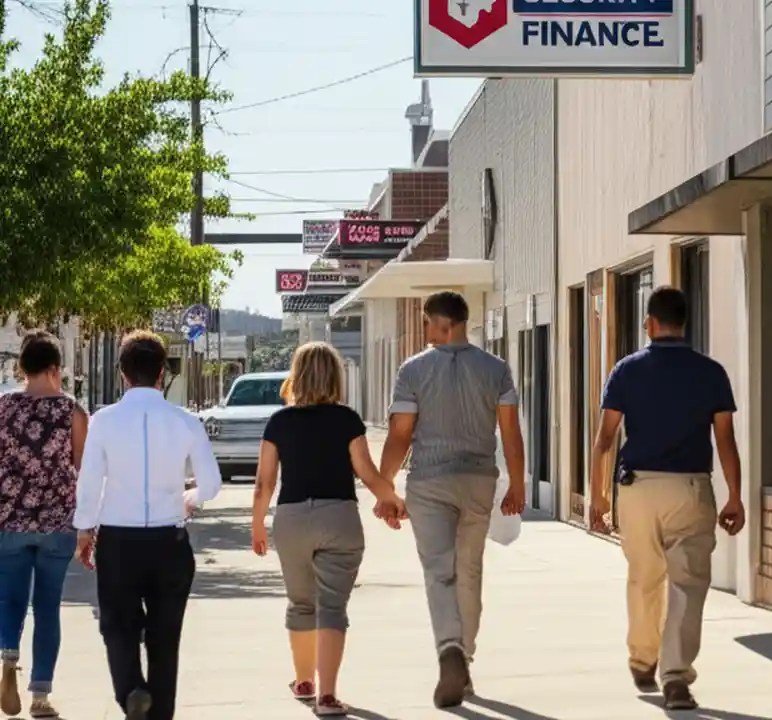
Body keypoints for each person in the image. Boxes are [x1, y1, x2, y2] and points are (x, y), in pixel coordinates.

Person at [589, 286, 745, 711]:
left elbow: (605, 439)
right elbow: (725, 440)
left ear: (650, 324)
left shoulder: (626, 370)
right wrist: (735, 496)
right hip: (690, 488)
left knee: (644, 576)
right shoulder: (711, 372)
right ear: (684, 323)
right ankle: (675, 677)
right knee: (688, 583)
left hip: (637, 489)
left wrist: (599, 496)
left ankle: (642, 659)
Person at [378, 291, 525, 709]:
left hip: (430, 481)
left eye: (427, 324)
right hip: (478, 479)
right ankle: (466, 659)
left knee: (439, 571)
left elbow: (401, 434)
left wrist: (385, 487)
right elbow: (509, 432)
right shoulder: (496, 369)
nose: (425, 332)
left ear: (443, 324)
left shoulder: (413, 370)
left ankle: (449, 651)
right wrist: (517, 483)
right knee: (470, 571)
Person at [250, 342, 407, 716]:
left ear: (296, 376)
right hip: (339, 518)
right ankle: (328, 696)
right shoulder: (347, 420)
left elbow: (263, 484)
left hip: (291, 520)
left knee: (301, 603)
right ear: (335, 376)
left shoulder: (279, 422)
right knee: (332, 608)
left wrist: (258, 525)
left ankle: (304, 680)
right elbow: (367, 474)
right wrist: (394, 502)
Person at [74, 331, 222, 720]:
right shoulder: (186, 422)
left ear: (123, 373)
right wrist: (187, 500)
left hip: (118, 541)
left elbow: (89, 481)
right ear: (162, 374)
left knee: (117, 627)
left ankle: (130, 691)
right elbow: (210, 484)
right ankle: (159, 714)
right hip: (168, 541)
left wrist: (85, 530)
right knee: (165, 639)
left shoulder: (103, 421)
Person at [0, 332, 87, 718]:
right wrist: (88, 527)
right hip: (57, 525)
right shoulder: (72, 412)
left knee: (10, 599)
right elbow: (83, 469)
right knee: (47, 606)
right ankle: (40, 694)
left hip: (10, 523)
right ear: (55, 369)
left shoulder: (3, 408)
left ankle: (7, 657)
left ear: (22, 368)